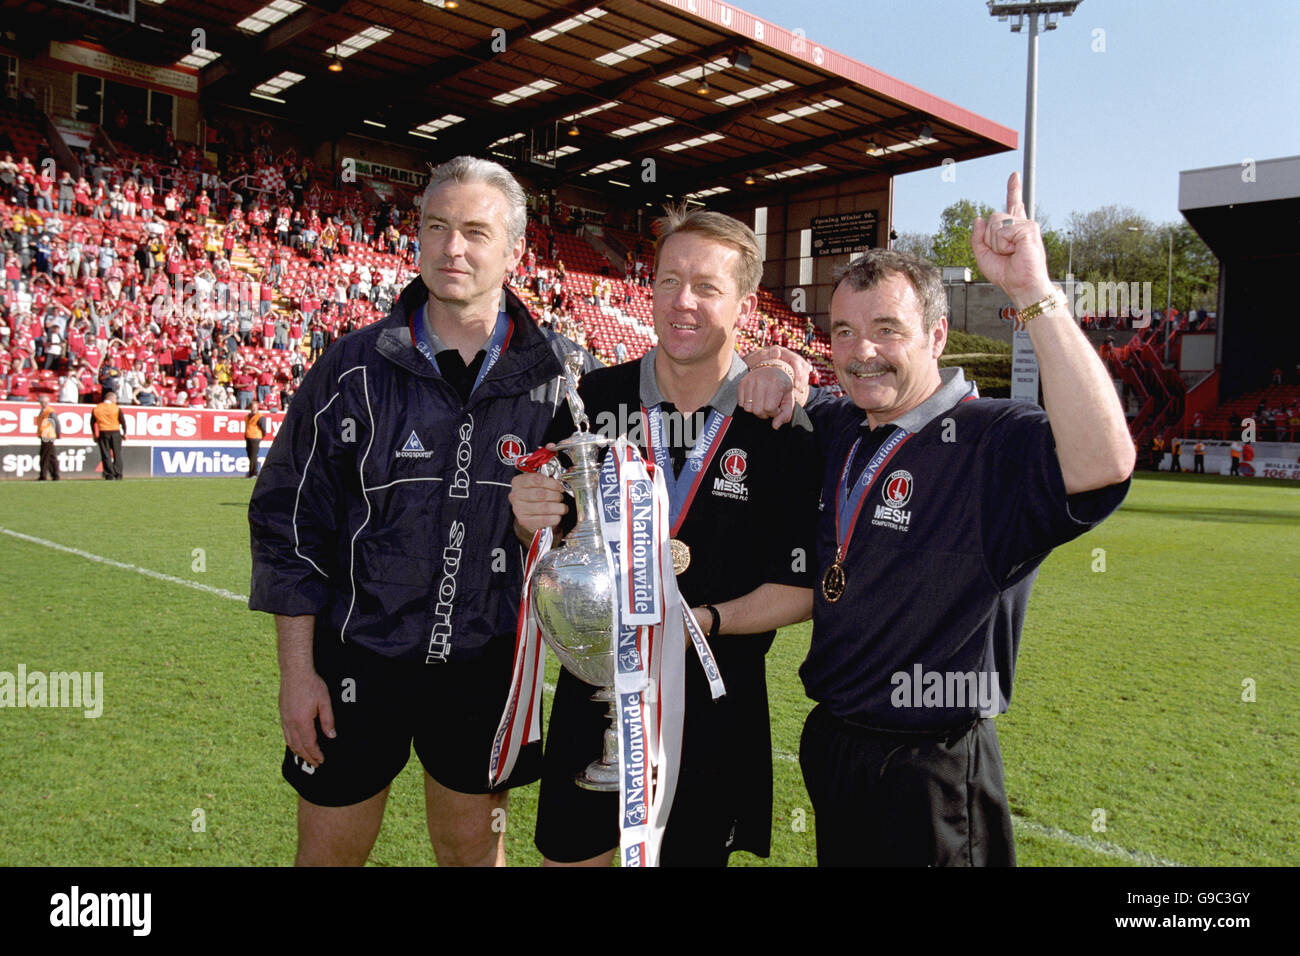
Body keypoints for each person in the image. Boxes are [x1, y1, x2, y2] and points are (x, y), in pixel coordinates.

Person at [764, 173, 1132, 866]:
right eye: (843, 331)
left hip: (931, 768)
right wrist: (776, 363)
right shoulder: (842, 421)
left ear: (937, 335)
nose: (860, 350)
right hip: (836, 743)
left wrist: (1032, 294)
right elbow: (789, 383)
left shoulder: (997, 437)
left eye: (886, 330)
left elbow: (1103, 463)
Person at [248, 156, 594, 867]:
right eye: (436, 226)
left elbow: (597, 524)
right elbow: (290, 523)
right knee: (326, 860)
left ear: (515, 250)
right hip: (356, 662)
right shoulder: (349, 367)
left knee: (471, 857)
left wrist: (779, 366)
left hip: (486, 664)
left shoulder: (562, 377)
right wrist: (297, 671)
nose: (453, 248)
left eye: (474, 230)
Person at [509, 207, 820, 867]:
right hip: (593, 696)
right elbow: (547, 543)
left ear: (743, 301)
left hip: (714, 703)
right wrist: (525, 510)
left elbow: (799, 588)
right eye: (669, 279)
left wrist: (702, 622)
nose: (684, 301)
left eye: (708, 286)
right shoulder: (592, 399)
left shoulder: (779, 424)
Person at [91, 389, 126, 480]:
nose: (116, 400)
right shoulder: (116, 408)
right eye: (115, 399)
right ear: (111, 399)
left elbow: (92, 422)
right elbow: (122, 421)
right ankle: (118, 474)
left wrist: (94, 434)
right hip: (115, 432)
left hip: (103, 432)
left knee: (105, 454)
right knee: (117, 453)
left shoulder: (97, 408)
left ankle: (109, 474)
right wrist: (125, 432)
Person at [36, 395, 61, 480]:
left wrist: (57, 434)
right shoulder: (43, 411)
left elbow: (56, 422)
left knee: (44, 457)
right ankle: (55, 475)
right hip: (44, 435)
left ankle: (43, 475)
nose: (44, 404)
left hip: (48, 436)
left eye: (45, 402)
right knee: (51, 456)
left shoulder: (50, 411)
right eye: (42, 402)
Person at [245, 400, 269, 478]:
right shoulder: (248, 416)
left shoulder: (260, 417)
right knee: (250, 455)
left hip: (255, 437)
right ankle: (252, 472)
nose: (254, 409)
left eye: (255, 407)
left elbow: (263, 429)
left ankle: (253, 472)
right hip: (248, 437)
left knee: (253, 456)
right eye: (252, 407)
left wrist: (261, 436)